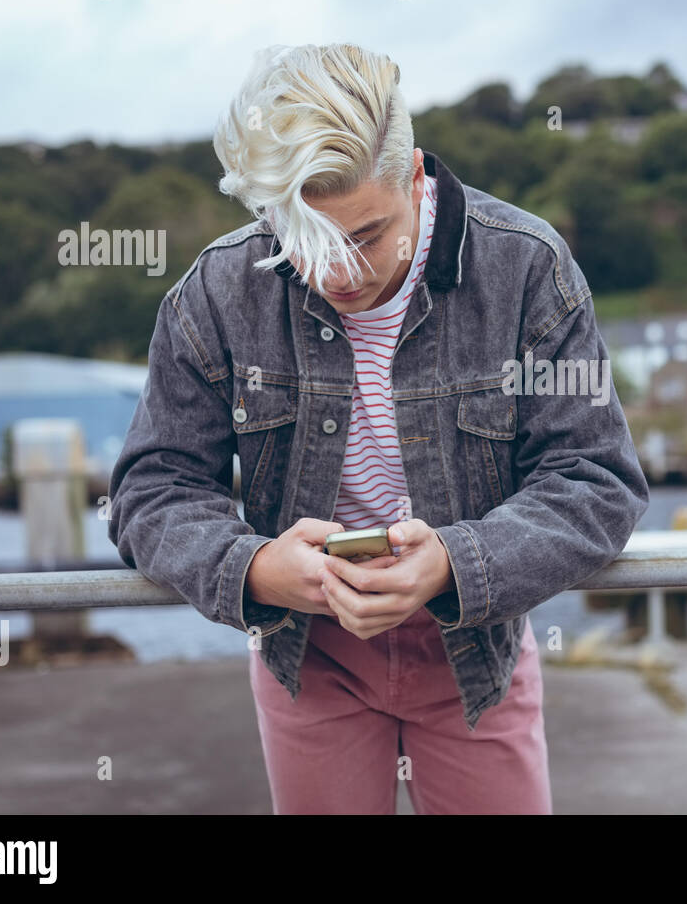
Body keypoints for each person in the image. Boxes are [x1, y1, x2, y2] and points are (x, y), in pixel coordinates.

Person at [106, 41, 650, 814]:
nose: (336, 272)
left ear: (415, 174)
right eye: (302, 237)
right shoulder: (216, 292)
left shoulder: (528, 269)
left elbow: (598, 481)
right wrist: (255, 568)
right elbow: (151, 490)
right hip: (307, 658)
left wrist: (455, 564)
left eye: (363, 236)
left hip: (476, 652)